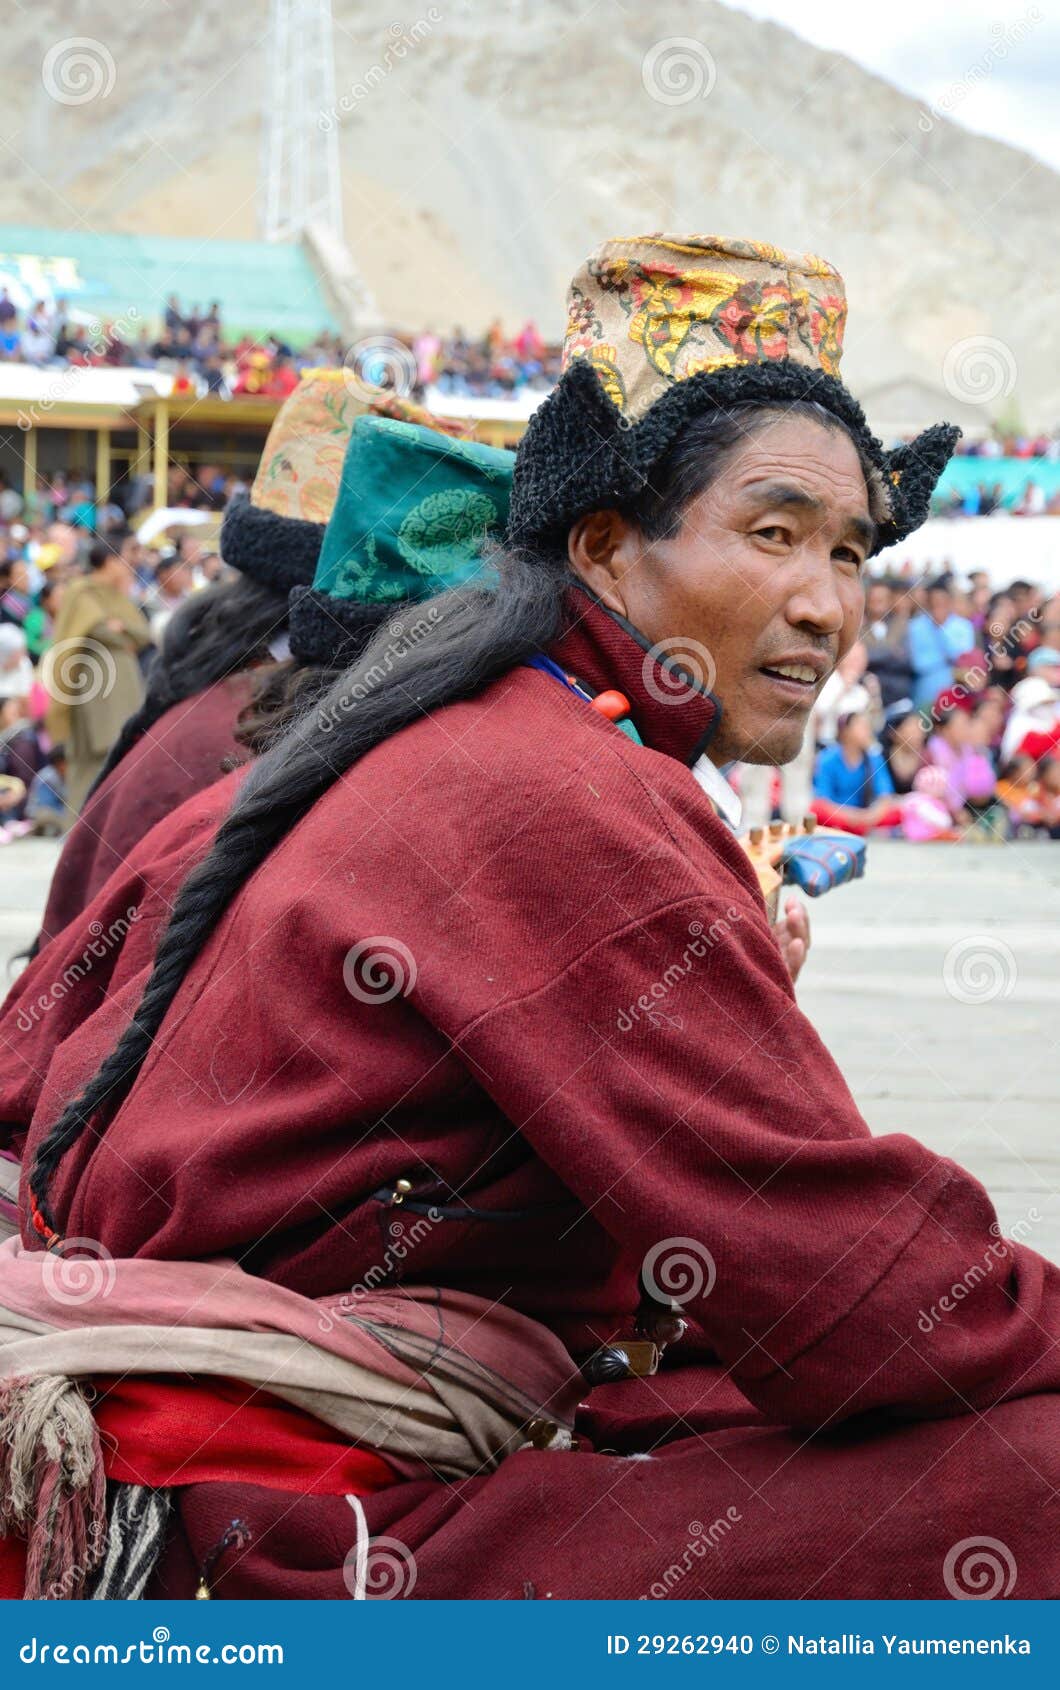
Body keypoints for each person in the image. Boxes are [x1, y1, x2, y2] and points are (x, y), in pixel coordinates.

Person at [9, 233, 1060, 1605]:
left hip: (240, 1431)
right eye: (775, 532)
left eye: (853, 548)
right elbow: (862, 1301)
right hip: (293, 1521)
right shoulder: (564, 790)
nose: (828, 603)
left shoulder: (407, 735)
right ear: (609, 547)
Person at [41, 542, 152, 812]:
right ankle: (80, 837)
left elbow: (142, 633)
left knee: (122, 759)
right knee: (94, 763)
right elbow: (102, 631)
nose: (130, 566)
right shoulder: (81, 591)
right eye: (125, 558)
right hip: (95, 688)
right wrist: (118, 630)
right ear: (110, 561)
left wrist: (121, 626)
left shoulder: (118, 595)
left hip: (123, 689)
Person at [811, 709, 900, 834]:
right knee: (816, 808)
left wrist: (870, 816)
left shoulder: (874, 758)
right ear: (845, 731)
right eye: (862, 727)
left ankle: (856, 828)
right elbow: (823, 799)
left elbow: (885, 796)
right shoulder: (827, 758)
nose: (868, 732)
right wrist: (853, 817)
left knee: (901, 809)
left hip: (868, 815)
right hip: (838, 815)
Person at [907, 579, 975, 709]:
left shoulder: (964, 627)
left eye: (942, 602)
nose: (938, 605)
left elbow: (963, 661)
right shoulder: (915, 627)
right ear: (928, 602)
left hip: (955, 696)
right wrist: (946, 661)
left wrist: (941, 630)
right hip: (924, 693)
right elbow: (917, 664)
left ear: (949, 602)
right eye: (934, 602)